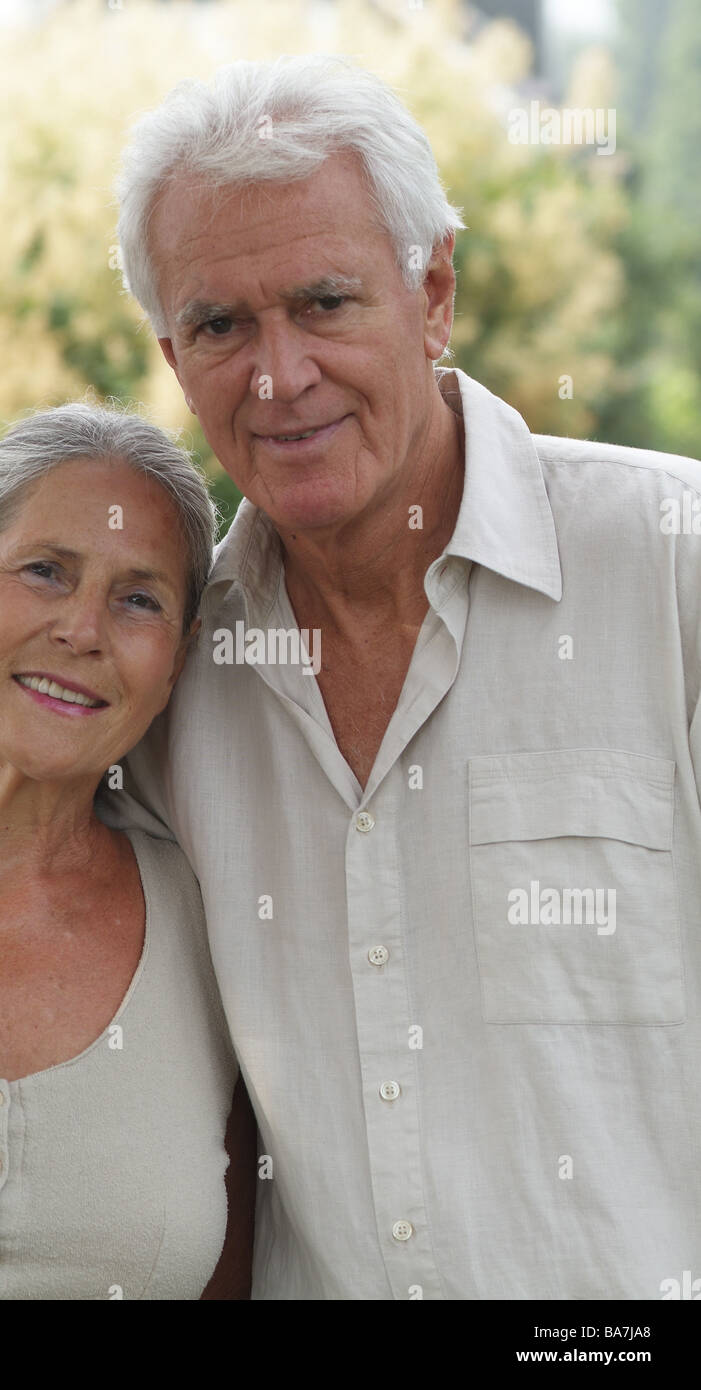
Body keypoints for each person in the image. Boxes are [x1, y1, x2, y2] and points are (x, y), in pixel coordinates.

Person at [98, 55, 701, 1299]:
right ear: (171, 353)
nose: (277, 376)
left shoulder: (668, 573)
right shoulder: (165, 684)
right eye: (220, 325)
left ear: (432, 296)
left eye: (323, 303)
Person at [0, 403, 255, 1300]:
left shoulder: (218, 930)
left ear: (174, 662)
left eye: (139, 598)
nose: (83, 630)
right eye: (46, 572)